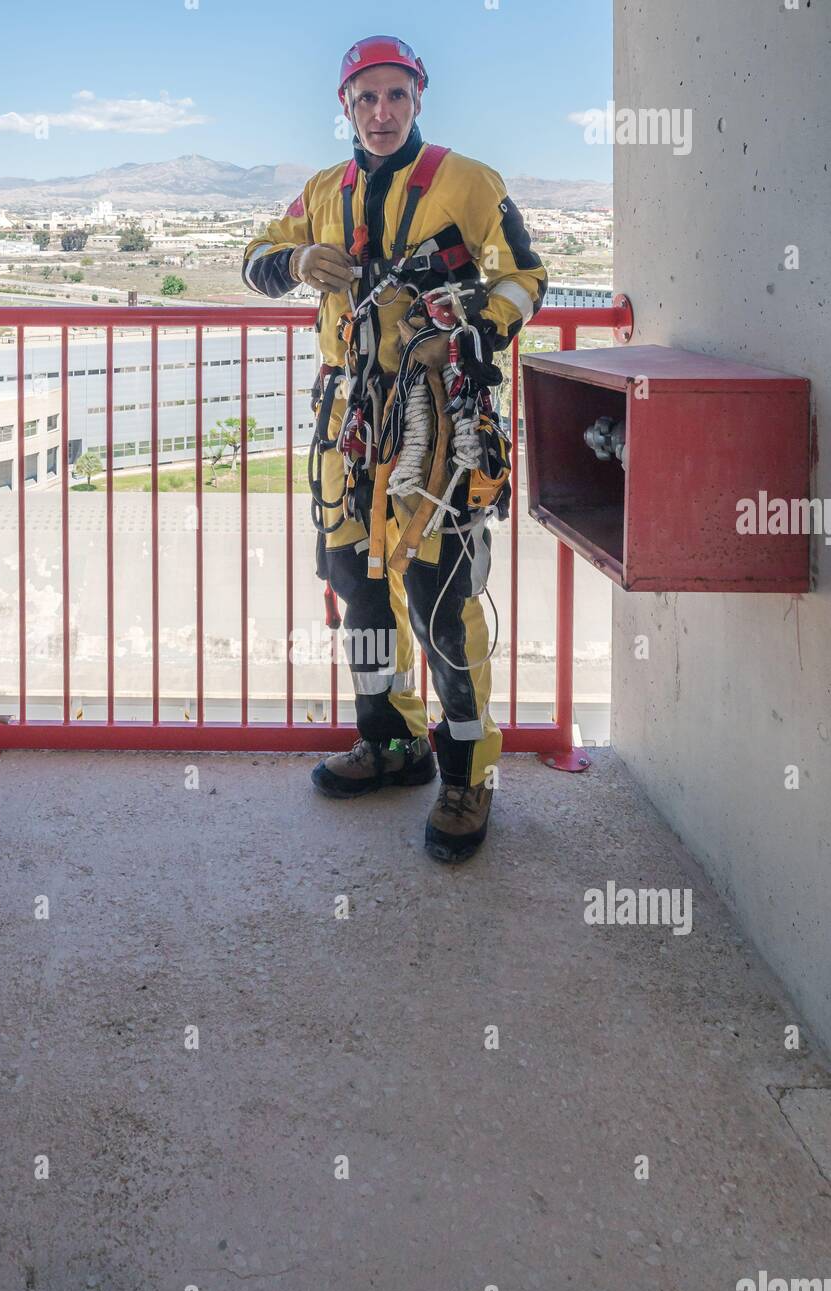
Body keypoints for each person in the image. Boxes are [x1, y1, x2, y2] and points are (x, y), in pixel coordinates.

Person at [242, 35, 548, 863]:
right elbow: (255, 261)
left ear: (418, 99)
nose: (381, 113)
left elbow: (526, 275)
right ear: (345, 105)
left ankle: (465, 774)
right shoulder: (320, 192)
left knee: (441, 597)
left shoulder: (468, 181)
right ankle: (389, 743)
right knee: (358, 588)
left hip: (436, 423)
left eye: (395, 96)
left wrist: (469, 330)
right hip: (349, 423)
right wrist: (297, 258)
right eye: (365, 98)